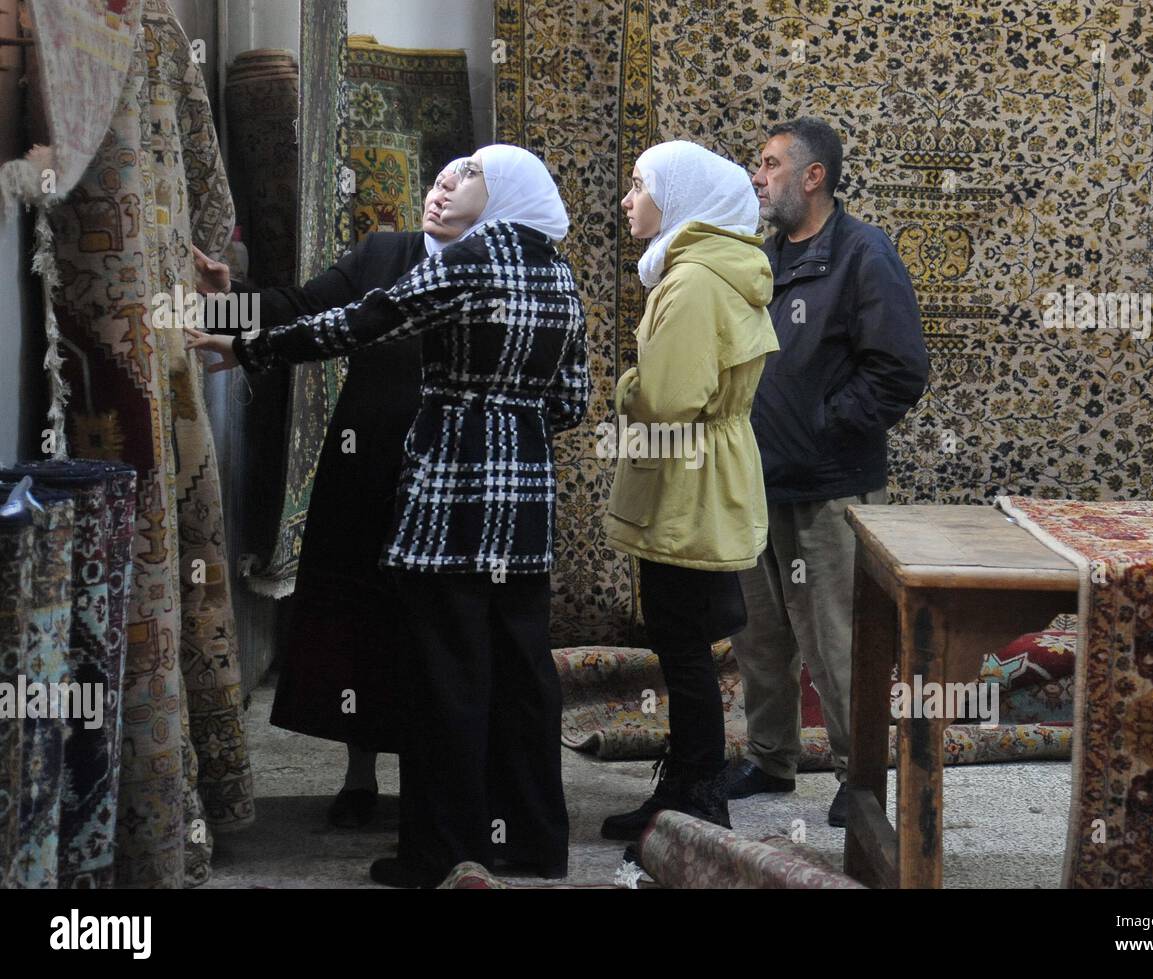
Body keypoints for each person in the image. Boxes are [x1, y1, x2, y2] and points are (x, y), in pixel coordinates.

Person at [187, 145, 590, 886]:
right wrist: (511, 416)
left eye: (469, 176)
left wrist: (251, 348)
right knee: (524, 674)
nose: (450, 187)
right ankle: (534, 841)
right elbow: (573, 402)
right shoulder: (559, 274)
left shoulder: (468, 262)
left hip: (450, 498)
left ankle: (441, 850)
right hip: (527, 504)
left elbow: (359, 323)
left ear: (499, 192)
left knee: (446, 676)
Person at [192, 164, 470, 829]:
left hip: (445, 476)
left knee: (429, 625)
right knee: (358, 614)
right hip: (364, 461)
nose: (437, 194)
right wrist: (230, 303)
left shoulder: (490, 273)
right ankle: (359, 773)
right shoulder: (384, 253)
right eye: (435, 184)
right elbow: (304, 306)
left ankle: (433, 783)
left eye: (458, 188)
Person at [728, 118, 929, 826]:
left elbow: (900, 369)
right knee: (760, 634)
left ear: (814, 177)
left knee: (836, 639)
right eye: (759, 164)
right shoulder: (764, 257)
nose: (758, 176)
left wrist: (822, 424)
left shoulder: (863, 254)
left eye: (772, 164)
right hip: (757, 484)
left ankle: (860, 773)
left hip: (830, 487)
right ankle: (769, 757)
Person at [600, 140, 779, 842]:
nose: (628, 198)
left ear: (679, 200)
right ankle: (687, 786)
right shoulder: (708, 269)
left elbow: (670, 397)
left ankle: (696, 794)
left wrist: (624, 388)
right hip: (704, 472)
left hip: (687, 480)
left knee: (683, 647)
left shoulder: (694, 279)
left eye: (640, 184)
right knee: (686, 643)